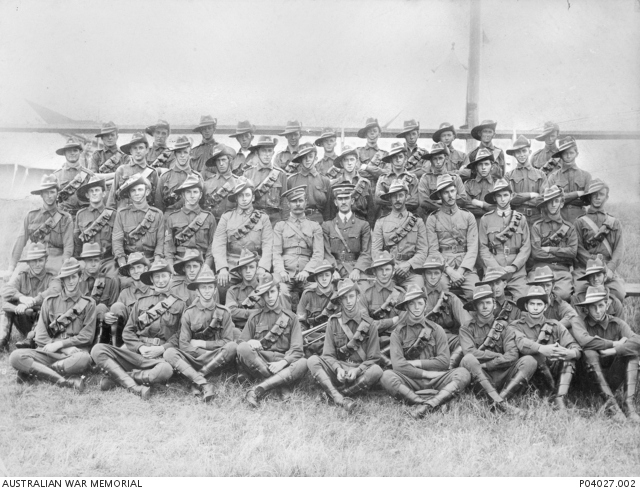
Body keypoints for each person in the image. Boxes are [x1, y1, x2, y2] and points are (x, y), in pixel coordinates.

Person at [91, 259, 184, 398]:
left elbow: (181, 335)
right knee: (98, 350)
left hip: (159, 357)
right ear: (151, 279)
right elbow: (128, 332)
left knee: (166, 370)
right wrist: (140, 347)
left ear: (170, 277)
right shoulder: (141, 302)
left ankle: (120, 379)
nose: (160, 280)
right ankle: (135, 384)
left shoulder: (180, 304)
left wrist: (161, 349)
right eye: (157, 276)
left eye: (164, 276)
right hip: (137, 352)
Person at [380, 285, 472, 418]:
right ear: (406, 307)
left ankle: (425, 405)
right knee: (386, 376)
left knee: (463, 373)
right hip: (412, 380)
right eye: (412, 304)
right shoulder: (398, 333)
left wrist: (416, 363)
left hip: (437, 379)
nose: (416, 307)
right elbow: (398, 365)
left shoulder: (437, 329)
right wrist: (427, 373)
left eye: (420, 303)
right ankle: (428, 403)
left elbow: (444, 362)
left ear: (425, 305)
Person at [9, 258, 95, 391]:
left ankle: (38, 372)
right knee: (15, 356)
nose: (71, 281)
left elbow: (87, 336)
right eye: (67, 278)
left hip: (74, 354)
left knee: (84, 358)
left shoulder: (89, 303)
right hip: (50, 352)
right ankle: (64, 381)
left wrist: (62, 345)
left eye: (74, 277)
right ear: (62, 280)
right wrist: (61, 346)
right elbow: (40, 336)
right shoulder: (49, 302)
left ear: (79, 277)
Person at [163, 265, 238, 401]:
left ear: (215, 289)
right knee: (169, 353)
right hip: (194, 358)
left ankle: (195, 378)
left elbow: (227, 342)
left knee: (232, 346)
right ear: (197, 291)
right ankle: (204, 383)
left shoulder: (224, 312)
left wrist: (202, 343)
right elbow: (184, 345)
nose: (207, 291)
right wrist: (202, 353)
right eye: (204, 287)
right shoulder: (189, 312)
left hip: (216, 357)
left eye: (210, 287)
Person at [307, 279, 383, 413]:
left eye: (351, 296)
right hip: (339, 370)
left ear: (358, 297)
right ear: (340, 301)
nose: (348, 301)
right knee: (312, 360)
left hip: (359, 371)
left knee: (376, 370)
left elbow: (374, 358)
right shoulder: (334, 322)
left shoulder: (370, 325)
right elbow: (328, 355)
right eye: (344, 298)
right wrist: (337, 369)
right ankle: (339, 398)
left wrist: (357, 371)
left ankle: (333, 394)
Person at [459, 286, 536, 415]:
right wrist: (496, 355)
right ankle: (502, 405)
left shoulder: (505, 327)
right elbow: (469, 352)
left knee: (530, 361)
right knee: (468, 360)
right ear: (475, 307)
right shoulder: (466, 328)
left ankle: (499, 400)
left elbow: (512, 355)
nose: (485, 307)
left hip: (503, 374)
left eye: (488, 302)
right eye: (481, 303)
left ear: (494, 305)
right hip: (480, 375)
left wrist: (489, 363)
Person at [237, 272, 308, 407]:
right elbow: (240, 343)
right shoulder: (255, 317)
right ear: (262, 295)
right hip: (260, 361)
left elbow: (297, 350)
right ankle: (280, 385)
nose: (269, 297)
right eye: (266, 293)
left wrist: (282, 363)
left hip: (283, 363)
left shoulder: (291, 318)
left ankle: (258, 389)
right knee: (242, 348)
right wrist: (249, 342)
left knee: (304, 362)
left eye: (272, 292)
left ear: (278, 291)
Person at [570, 286, 640, 423]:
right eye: (593, 306)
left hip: (611, 376)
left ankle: (629, 406)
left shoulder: (617, 323)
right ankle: (612, 407)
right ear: (586, 308)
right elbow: (585, 341)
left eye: (601, 305)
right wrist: (614, 343)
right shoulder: (578, 321)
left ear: (607, 305)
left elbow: (637, 340)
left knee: (631, 355)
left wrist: (614, 351)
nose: (597, 311)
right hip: (586, 379)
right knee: (589, 353)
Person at [510, 285, 582, 409]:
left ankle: (559, 398)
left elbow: (575, 347)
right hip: (529, 375)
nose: (536, 307)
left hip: (552, 372)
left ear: (545, 306)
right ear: (526, 306)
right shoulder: (516, 326)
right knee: (532, 358)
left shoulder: (555, 325)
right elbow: (521, 344)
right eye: (532, 304)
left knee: (569, 359)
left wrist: (571, 353)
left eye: (539, 304)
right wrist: (542, 350)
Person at [212, 180, 273, 303]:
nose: (244, 199)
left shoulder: (263, 218)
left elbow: (268, 245)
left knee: (265, 285)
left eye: (247, 195)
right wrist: (222, 268)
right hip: (232, 264)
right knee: (221, 284)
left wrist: (262, 267)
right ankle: (225, 317)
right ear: (236, 199)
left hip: (254, 264)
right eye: (240, 196)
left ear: (253, 197)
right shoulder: (226, 217)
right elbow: (218, 244)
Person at [426, 174, 480, 300]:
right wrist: (449, 271)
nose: (450, 196)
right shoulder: (433, 218)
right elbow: (433, 250)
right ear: (440, 195)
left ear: (456, 191)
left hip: (465, 266)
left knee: (475, 293)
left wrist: (460, 271)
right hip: (443, 267)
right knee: (440, 290)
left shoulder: (468, 216)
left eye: (452, 191)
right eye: (446, 192)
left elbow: (472, 248)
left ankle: (469, 320)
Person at [10, 175, 74, 278]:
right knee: (15, 280)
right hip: (35, 258)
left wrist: (65, 263)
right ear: (41, 194)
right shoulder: (31, 216)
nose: (49, 196)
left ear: (57, 194)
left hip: (56, 259)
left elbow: (68, 245)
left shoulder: (66, 218)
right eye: (45, 192)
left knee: (55, 283)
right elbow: (20, 242)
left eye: (52, 192)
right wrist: (11, 268)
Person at [272, 185, 324, 311]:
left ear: (306, 202)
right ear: (289, 204)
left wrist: (307, 271)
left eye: (300, 200)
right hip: (286, 274)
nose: (298, 204)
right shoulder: (280, 226)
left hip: (307, 274)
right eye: (294, 201)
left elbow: (318, 254)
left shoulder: (315, 226)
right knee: (281, 292)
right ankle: (285, 322)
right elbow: (276, 253)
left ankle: (309, 322)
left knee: (315, 290)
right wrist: (281, 271)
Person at [573, 179, 626, 302]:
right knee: (580, 293)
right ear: (590, 197)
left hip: (607, 267)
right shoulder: (580, 222)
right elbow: (578, 248)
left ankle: (608, 320)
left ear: (606, 197)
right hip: (585, 268)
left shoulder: (615, 222)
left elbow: (619, 249)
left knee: (618, 293)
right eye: (594, 194)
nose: (597, 198)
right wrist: (594, 265)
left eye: (601, 194)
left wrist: (611, 269)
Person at [414, 256, 471, 369]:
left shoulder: (449, 298)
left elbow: (467, 323)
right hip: (422, 339)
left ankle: (448, 369)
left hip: (445, 338)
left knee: (464, 341)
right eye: (429, 273)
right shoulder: (416, 297)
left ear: (441, 275)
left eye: (436, 273)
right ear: (424, 275)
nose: (433, 276)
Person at [478, 178, 531, 299]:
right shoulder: (485, 219)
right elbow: (483, 248)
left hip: (516, 272)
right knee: (484, 298)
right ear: (494, 198)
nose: (502, 199)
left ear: (511, 196)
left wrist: (514, 266)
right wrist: (496, 267)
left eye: (506, 195)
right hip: (493, 270)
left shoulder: (520, 219)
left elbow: (526, 247)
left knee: (523, 298)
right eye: (499, 196)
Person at [1, 244, 61, 350]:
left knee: (46, 307)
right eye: (33, 261)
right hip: (25, 319)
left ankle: (32, 340)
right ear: (28, 262)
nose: (37, 264)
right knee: (6, 302)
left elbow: (55, 290)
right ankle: (2, 339)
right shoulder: (22, 275)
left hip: (45, 324)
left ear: (46, 260)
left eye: (40, 260)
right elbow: (5, 290)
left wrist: (33, 301)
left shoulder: (52, 276)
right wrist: (21, 299)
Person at [371, 179, 428, 289]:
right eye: (394, 196)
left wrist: (408, 265)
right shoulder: (381, 222)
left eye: (400, 195)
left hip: (410, 272)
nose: (397, 199)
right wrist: (393, 267)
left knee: (416, 290)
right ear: (389, 199)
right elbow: (376, 252)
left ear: (407, 197)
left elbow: (423, 251)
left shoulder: (417, 222)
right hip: (387, 271)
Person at [529, 185, 577, 301]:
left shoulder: (569, 228)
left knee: (563, 295)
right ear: (545, 204)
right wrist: (562, 255)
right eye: (550, 201)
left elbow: (572, 252)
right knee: (534, 294)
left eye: (556, 201)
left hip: (561, 272)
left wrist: (550, 249)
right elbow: (536, 253)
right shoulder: (537, 226)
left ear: (561, 204)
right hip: (540, 270)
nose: (553, 204)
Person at [359, 251, 404, 366]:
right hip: (374, 341)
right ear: (374, 272)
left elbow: (404, 322)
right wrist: (392, 321)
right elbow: (365, 324)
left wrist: (378, 324)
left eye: (387, 269)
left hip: (398, 340)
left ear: (393, 271)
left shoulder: (400, 293)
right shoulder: (366, 295)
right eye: (380, 269)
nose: (384, 273)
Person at [112, 173, 165, 269]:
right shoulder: (121, 214)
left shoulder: (158, 215)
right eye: (133, 190)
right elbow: (117, 242)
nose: (136, 193)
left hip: (151, 261)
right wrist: (123, 265)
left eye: (140, 190)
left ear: (147, 192)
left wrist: (155, 265)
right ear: (129, 194)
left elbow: (160, 243)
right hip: (130, 263)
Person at [163, 173, 215, 269]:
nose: (192, 196)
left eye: (195, 192)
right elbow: (169, 247)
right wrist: (170, 266)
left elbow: (212, 245)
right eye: (188, 192)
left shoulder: (209, 217)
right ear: (183, 195)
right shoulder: (172, 218)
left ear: (200, 195)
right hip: (180, 263)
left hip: (202, 263)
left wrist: (207, 265)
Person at [322, 182, 372, 281]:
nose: (343, 202)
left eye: (346, 198)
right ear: (336, 202)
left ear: (352, 201)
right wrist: (333, 270)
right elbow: (326, 252)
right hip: (335, 270)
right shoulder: (327, 226)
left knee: (364, 289)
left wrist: (357, 269)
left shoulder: (363, 225)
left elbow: (366, 252)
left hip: (355, 269)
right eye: (340, 199)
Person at [102, 252, 151, 348]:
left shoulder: (152, 290)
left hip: (147, 335)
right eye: (132, 268)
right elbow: (116, 312)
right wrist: (107, 315)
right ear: (129, 272)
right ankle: (117, 347)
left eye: (139, 267)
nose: (136, 271)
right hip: (127, 336)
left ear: (145, 269)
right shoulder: (125, 293)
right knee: (116, 306)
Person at [77, 243, 121, 345]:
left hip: (103, 327)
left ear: (100, 262)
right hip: (81, 326)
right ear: (84, 262)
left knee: (101, 307)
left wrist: (104, 315)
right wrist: (98, 314)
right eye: (89, 261)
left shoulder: (111, 281)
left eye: (96, 260)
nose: (93, 264)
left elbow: (113, 306)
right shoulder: (76, 282)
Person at [544, 136, 592, 223]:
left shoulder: (586, 176)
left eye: (571, 152)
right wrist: (578, 193)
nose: (568, 156)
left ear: (576, 153)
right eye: (565, 153)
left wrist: (562, 197)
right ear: (560, 155)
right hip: (559, 221)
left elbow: (588, 200)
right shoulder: (553, 177)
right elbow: (549, 200)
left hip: (580, 220)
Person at [243, 136, 289, 225]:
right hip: (253, 219)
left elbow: (284, 202)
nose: (267, 154)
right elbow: (243, 201)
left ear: (273, 153)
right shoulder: (248, 174)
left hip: (275, 220)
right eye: (264, 150)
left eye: (269, 151)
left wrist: (285, 223)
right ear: (257, 153)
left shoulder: (280, 174)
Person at [296, 261, 339, 355]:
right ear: (315, 278)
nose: (324, 278)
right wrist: (304, 336)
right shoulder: (307, 295)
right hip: (313, 338)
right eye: (320, 276)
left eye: (327, 275)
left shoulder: (338, 295)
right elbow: (300, 321)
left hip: (334, 337)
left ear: (332, 277)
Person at [107, 132, 158, 209]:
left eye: (141, 148)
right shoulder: (121, 170)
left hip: (144, 216)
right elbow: (112, 199)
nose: (138, 151)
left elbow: (157, 200)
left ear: (147, 150)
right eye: (135, 148)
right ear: (130, 151)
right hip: (124, 216)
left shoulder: (152, 173)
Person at [73, 176, 116, 266]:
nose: (94, 193)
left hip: (107, 261)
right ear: (87, 195)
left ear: (103, 194)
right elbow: (77, 243)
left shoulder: (113, 214)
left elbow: (117, 241)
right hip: (87, 261)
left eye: (97, 190)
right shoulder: (80, 215)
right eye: (91, 191)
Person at [504, 135, 546, 227]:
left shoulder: (541, 174)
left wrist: (520, 199)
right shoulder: (508, 176)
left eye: (524, 151)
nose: (521, 154)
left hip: (537, 216)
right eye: (518, 152)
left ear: (529, 152)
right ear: (514, 154)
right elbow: (510, 199)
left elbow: (543, 198)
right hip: (516, 216)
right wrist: (532, 195)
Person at [287, 142, 333, 224]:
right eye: (304, 157)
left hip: (319, 221)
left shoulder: (325, 180)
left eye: (310, 156)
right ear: (300, 160)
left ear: (315, 159)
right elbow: (286, 206)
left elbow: (328, 209)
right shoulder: (291, 180)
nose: (307, 160)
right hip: (297, 221)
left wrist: (327, 227)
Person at [329, 145, 375, 224]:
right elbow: (331, 213)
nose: (349, 163)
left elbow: (371, 212)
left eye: (352, 159)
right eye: (346, 160)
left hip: (361, 227)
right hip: (341, 227)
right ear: (341, 163)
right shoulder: (334, 185)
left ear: (356, 161)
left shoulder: (365, 183)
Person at [418, 142, 467, 214]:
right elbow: (424, 202)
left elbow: (462, 200)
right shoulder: (426, 178)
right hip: (433, 217)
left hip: (453, 217)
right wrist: (445, 209)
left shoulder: (455, 178)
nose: (438, 162)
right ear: (431, 161)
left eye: (440, 158)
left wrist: (438, 201)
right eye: (435, 159)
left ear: (446, 159)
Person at [526, 266, 581, 330]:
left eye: (548, 285)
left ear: (553, 286)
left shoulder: (557, 301)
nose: (545, 289)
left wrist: (553, 327)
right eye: (541, 285)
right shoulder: (529, 302)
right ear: (536, 286)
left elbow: (573, 315)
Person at [374, 142, 419, 218]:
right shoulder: (383, 178)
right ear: (391, 160)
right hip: (387, 217)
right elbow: (378, 199)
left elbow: (414, 202)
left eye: (400, 157)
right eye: (394, 157)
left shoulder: (412, 178)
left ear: (405, 159)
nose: (398, 160)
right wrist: (406, 198)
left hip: (406, 219)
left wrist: (388, 197)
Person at [225, 249, 264, 335]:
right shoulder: (233, 291)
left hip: (260, 331)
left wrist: (241, 314)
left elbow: (268, 314)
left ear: (257, 269)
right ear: (240, 271)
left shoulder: (264, 290)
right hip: (239, 332)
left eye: (251, 267)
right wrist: (254, 312)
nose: (248, 271)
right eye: (244, 268)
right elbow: (230, 312)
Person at [53, 138, 94, 218]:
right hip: (63, 217)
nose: (72, 153)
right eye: (69, 151)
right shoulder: (56, 175)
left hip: (84, 217)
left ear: (80, 152)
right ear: (64, 153)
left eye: (75, 150)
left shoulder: (88, 174)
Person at [155, 136, 197, 214]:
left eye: (185, 152)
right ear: (175, 154)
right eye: (179, 152)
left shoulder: (197, 177)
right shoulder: (165, 177)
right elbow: (159, 205)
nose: (182, 155)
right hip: (170, 219)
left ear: (189, 153)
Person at [202, 144, 240, 221]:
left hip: (232, 224)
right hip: (213, 224)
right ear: (215, 163)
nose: (221, 164)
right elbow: (203, 207)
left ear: (230, 160)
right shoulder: (207, 183)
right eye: (218, 161)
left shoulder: (238, 182)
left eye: (223, 160)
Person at [463, 148, 496, 220]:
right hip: (474, 222)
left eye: (486, 164)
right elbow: (466, 207)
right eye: (480, 164)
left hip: (493, 223)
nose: (483, 167)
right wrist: (489, 208)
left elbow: (500, 207)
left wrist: (480, 204)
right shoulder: (468, 185)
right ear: (476, 167)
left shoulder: (497, 184)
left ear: (492, 166)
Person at [356, 118, 388, 183]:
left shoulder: (385, 154)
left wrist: (367, 168)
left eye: (375, 131)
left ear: (379, 135)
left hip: (379, 190)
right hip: (362, 189)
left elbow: (387, 174)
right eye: (369, 131)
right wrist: (377, 172)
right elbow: (357, 172)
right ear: (365, 134)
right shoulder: (358, 152)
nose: (372, 133)